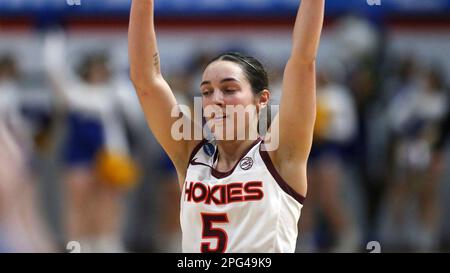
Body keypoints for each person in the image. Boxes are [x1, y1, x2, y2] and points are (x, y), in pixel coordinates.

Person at [128, 0, 325, 252]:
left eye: (229, 89)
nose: (216, 100)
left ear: (262, 99)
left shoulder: (279, 154)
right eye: (207, 92)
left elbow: (303, 60)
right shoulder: (192, 156)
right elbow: (146, 80)